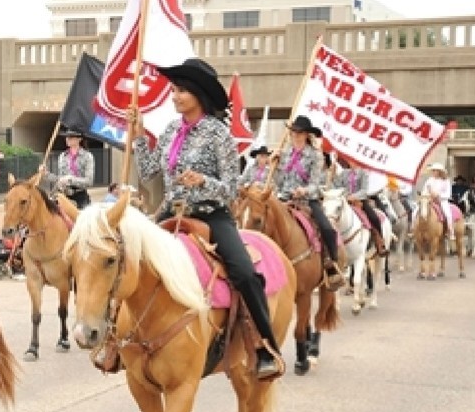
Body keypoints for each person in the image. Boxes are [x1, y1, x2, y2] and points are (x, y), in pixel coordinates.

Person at [128, 57, 284, 381]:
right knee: (128, 259)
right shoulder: (171, 130)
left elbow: (231, 189)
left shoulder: (219, 135)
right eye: (173, 90)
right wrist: (139, 135)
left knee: (243, 271)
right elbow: (148, 172)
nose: (174, 96)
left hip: (212, 216)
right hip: (172, 212)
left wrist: (203, 181)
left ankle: (264, 346)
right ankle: (120, 342)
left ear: (198, 94)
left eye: (181, 90)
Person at [272, 115, 346, 291]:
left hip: (307, 200)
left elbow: (317, 183)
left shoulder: (316, 155)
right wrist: (273, 165)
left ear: (306, 135)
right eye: (293, 132)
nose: (295, 136)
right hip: (283, 198)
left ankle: (330, 265)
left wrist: (304, 191)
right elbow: (279, 181)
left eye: (299, 132)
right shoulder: (284, 153)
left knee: (327, 228)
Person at [333, 157, 387, 255]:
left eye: (354, 160)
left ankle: (380, 243)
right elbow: (337, 186)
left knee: (374, 217)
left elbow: (364, 191)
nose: (352, 162)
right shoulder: (343, 173)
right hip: (345, 201)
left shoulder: (363, 173)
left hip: (360, 201)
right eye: (350, 160)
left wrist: (353, 197)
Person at [40, 127, 95, 208]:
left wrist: (70, 179)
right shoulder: (62, 156)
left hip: (80, 197)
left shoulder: (87, 156)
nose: (67, 139)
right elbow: (59, 179)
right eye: (66, 136)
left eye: (71, 137)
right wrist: (46, 174)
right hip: (63, 196)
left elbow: (89, 181)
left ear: (79, 139)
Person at [421, 163, 455, 239]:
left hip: (442, 201)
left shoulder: (446, 181)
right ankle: (414, 229)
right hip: (429, 199)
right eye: (433, 170)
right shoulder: (429, 180)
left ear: (440, 171)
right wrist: (427, 195)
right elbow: (424, 190)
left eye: (435, 170)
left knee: (448, 214)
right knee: (417, 210)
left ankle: (450, 232)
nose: (434, 172)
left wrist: (438, 195)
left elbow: (448, 193)